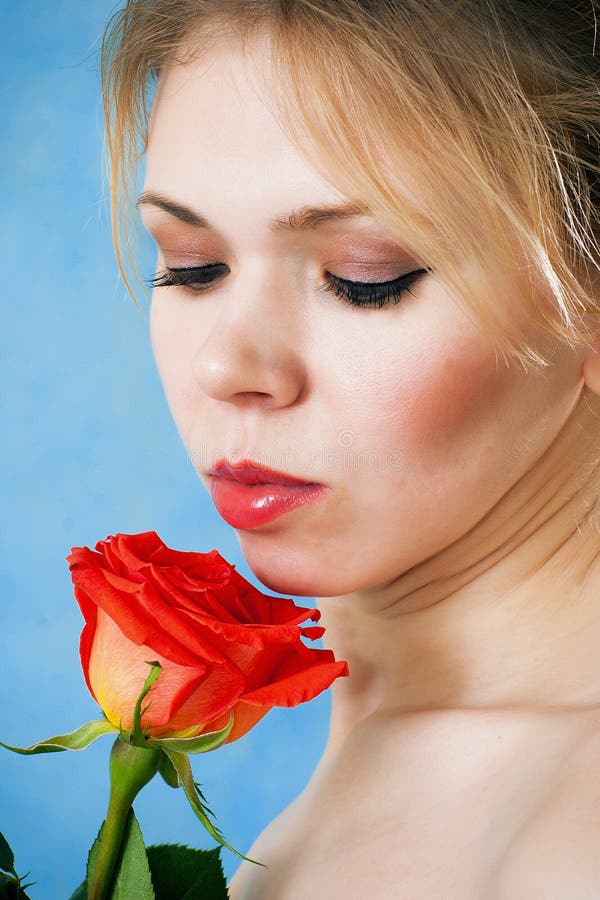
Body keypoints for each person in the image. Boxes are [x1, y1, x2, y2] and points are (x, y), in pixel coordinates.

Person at [101, 1, 600, 896]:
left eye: (363, 277)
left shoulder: (572, 835)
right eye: (189, 265)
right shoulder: (399, 741)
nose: (227, 366)